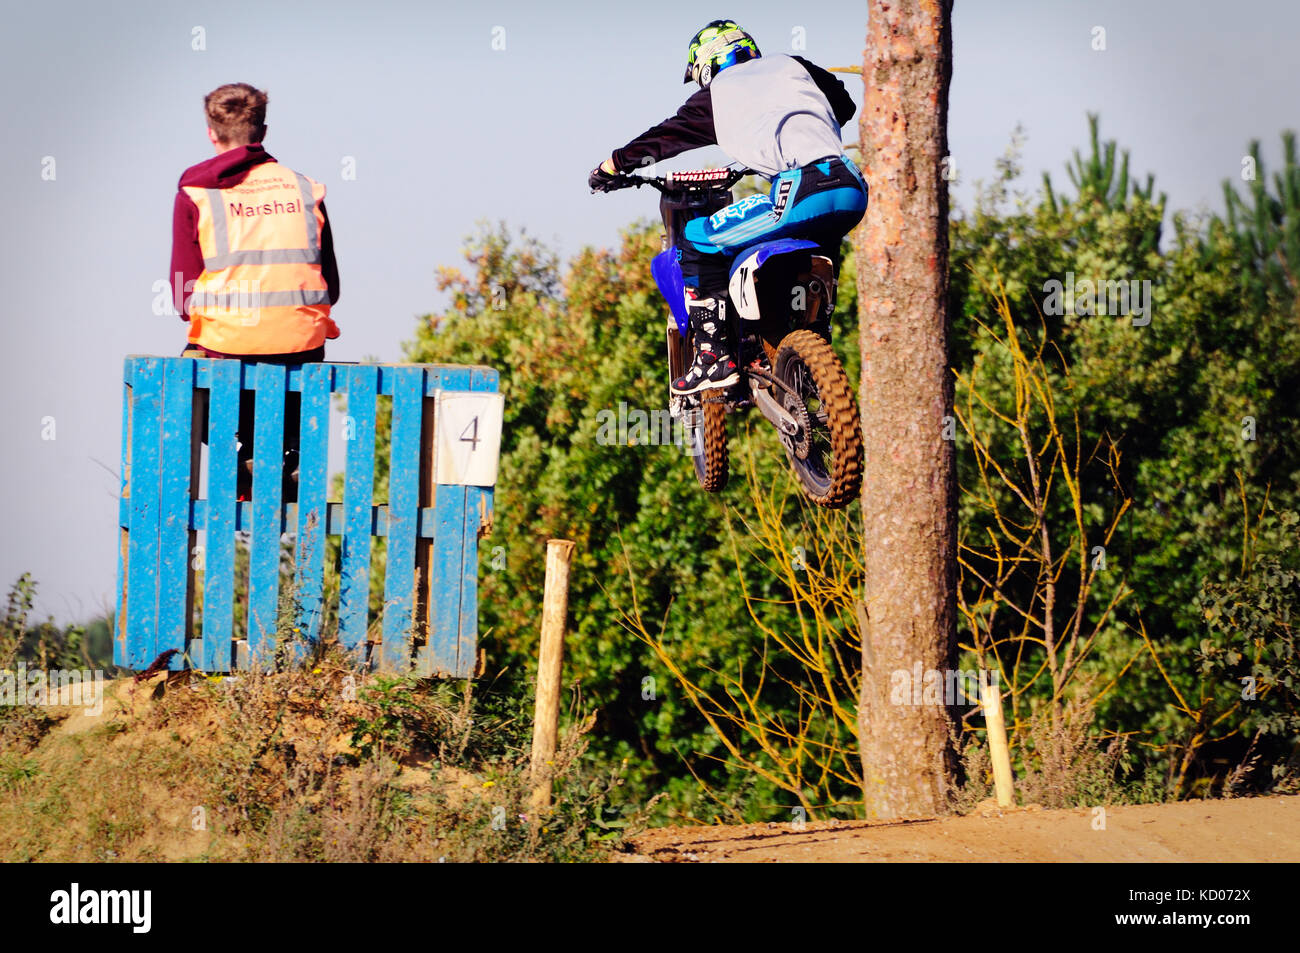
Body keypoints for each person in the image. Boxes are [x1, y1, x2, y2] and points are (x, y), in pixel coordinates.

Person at [589, 20, 867, 395]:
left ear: (706, 65)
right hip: (851, 185)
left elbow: (665, 138)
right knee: (816, 254)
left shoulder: (716, 94)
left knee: (697, 237)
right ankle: (812, 338)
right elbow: (844, 103)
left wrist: (614, 164)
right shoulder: (793, 64)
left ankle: (713, 358)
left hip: (801, 188)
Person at [170, 82, 340, 501]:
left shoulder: (196, 193)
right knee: (288, 352)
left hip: (227, 347)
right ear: (263, 131)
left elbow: (182, 297)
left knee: (197, 369)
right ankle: (285, 455)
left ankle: (245, 454)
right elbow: (330, 286)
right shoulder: (305, 189)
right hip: (301, 348)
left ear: (212, 133)